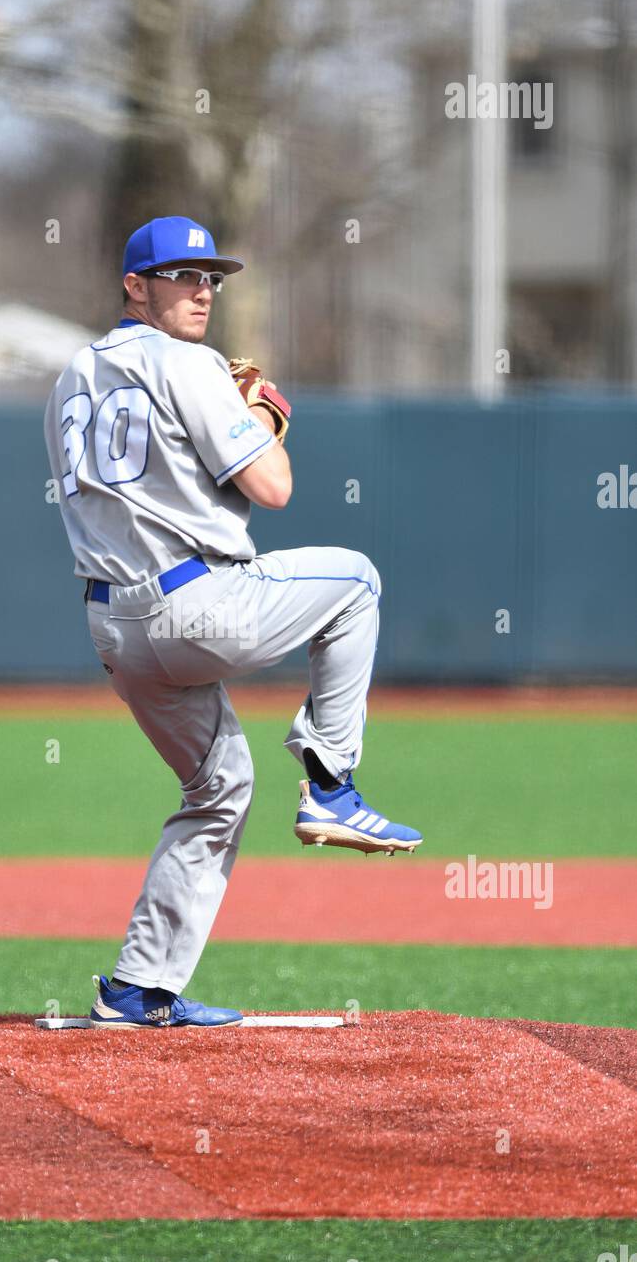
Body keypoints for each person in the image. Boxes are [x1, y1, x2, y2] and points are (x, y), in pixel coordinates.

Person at [44, 215, 422, 1029]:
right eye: (181, 276)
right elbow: (274, 487)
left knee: (219, 789)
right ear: (134, 286)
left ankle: (138, 988)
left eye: (210, 277)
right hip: (195, 605)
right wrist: (263, 420)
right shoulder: (187, 362)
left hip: (115, 629)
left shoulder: (73, 376)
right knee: (357, 581)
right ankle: (331, 783)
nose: (201, 290)